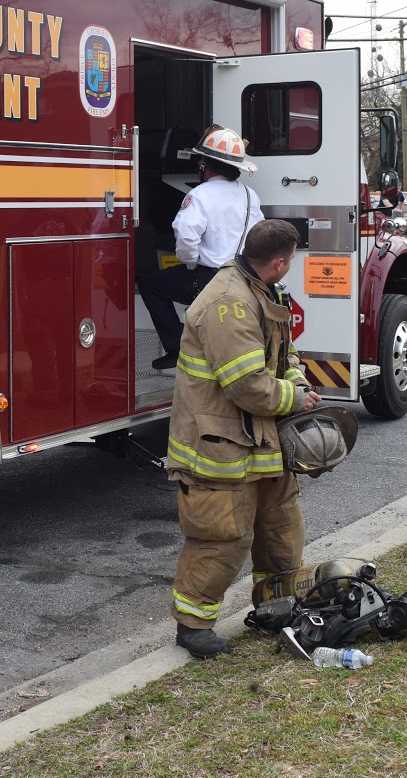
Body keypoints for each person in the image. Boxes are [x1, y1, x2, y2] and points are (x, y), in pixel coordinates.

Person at [166, 220, 350, 659]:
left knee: (281, 531)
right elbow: (246, 384)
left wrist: (298, 381)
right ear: (281, 261)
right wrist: (296, 400)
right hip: (219, 447)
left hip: (263, 442)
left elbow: (283, 356)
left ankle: (276, 607)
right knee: (221, 538)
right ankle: (193, 627)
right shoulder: (228, 303)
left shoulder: (264, 291)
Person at [138, 125, 263, 370]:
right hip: (243, 278)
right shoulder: (250, 195)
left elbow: (185, 238)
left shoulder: (199, 195)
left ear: (205, 164)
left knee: (149, 283)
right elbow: (258, 235)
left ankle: (175, 346)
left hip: (208, 278)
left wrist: (191, 263)